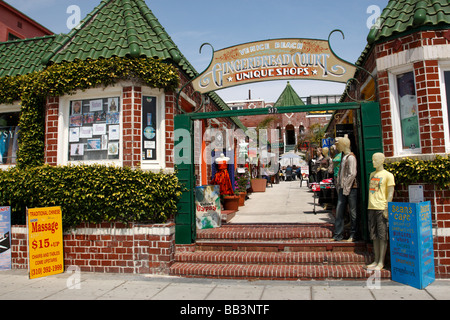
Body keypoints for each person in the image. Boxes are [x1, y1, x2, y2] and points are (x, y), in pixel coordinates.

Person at [366, 153, 395, 271]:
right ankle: (376, 259)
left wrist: (387, 208)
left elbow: (390, 193)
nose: (373, 162)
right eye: (372, 160)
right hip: (371, 207)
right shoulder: (372, 175)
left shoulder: (388, 175)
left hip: (381, 207)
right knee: (374, 235)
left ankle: (381, 261)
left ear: (382, 160)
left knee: (382, 235)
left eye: (375, 160)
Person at [333, 135, 358, 242]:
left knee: (353, 211)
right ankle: (338, 234)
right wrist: (339, 185)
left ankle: (353, 234)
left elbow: (352, 174)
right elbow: (341, 173)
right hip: (343, 187)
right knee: (339, 211)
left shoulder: (351, 157)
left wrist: (346, 187)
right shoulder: (344, 157)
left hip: (351, 188)